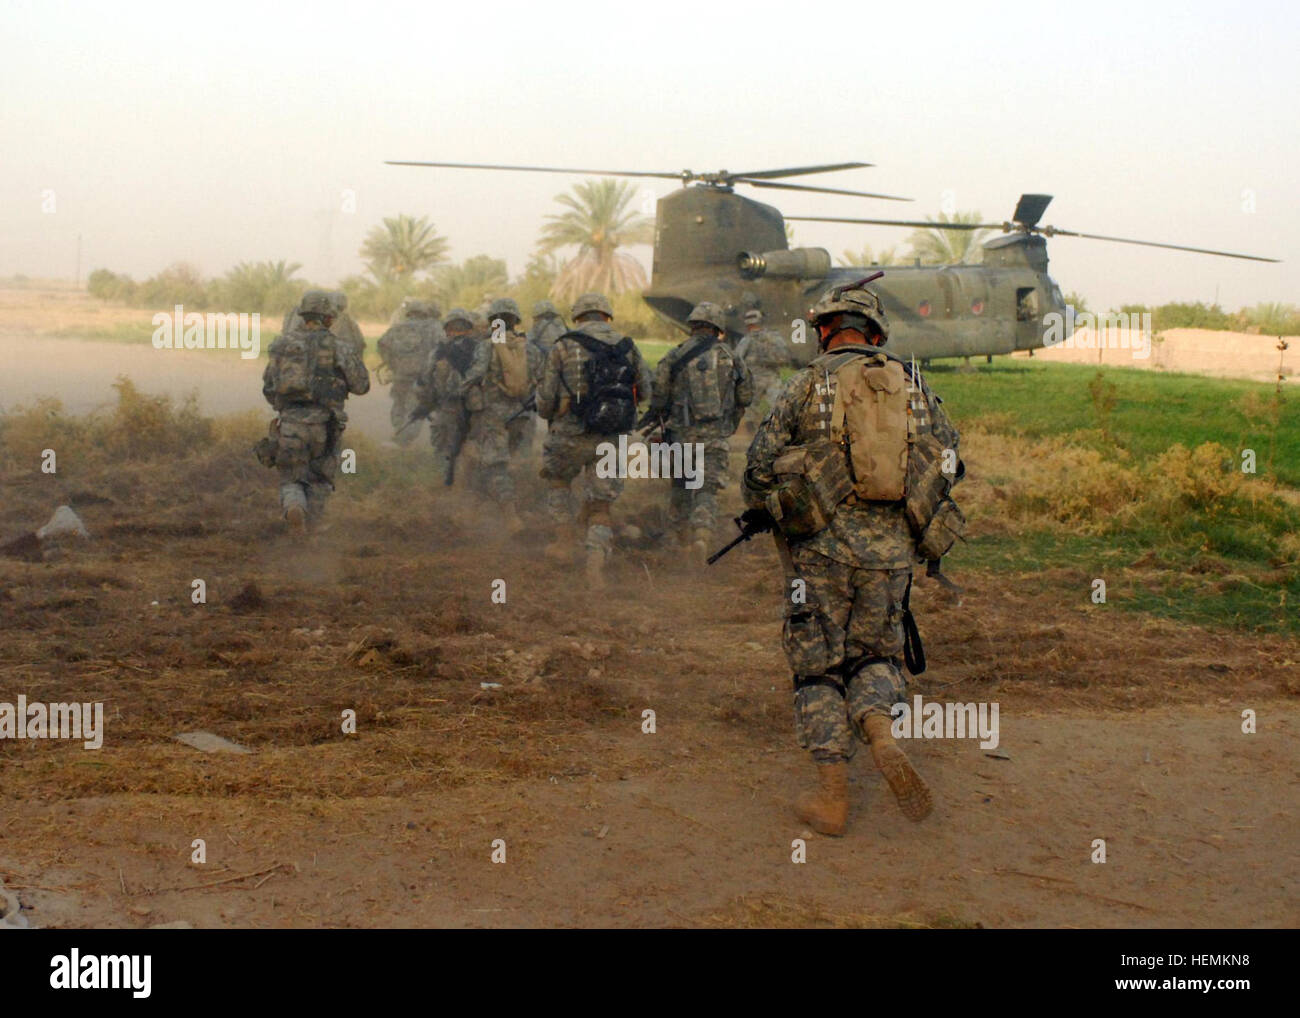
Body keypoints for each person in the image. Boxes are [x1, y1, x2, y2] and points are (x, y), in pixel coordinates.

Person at [742, 281, 962, 836]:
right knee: (875, 655)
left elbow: (757, 470)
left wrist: (787, 495)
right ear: (877, 335)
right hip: (892, 558)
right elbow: (950, 459)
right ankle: (880, 732)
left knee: (817, 664)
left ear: (824, 330)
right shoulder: (914, 384)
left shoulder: (808, 383)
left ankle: (831, 796)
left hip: (821, 554)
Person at [535, 291, 653, 586]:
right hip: (611, 436)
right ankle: (595, 565)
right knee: (601, 505)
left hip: (569, 434)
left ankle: (564, 543)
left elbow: (545, 400)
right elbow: (646, 392)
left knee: (559, 481)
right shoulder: (628, 347)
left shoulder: (563, 345)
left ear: (577, 317)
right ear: (607, 316)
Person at [641, 301, 752, 562]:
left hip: (681, 437)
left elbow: (659, 396)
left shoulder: (675, 355)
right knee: (706, 490)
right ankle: (701, 537)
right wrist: (729, 421)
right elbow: (746, 396)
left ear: (692, 326)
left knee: (681, 487)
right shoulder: (732, 357)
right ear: (718, 328)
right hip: (714, 438)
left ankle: (680, 543)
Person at [260, 290, 369, 532]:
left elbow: (269, 387)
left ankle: (294, 507)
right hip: (326, 426)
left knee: (291, 478)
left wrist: (287, 408)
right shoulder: (340, 347)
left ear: (303, 315)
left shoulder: (281, 345)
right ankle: (312, 529)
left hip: (290, 424)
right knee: (320, 479)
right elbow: (362, 386)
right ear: (329, 318)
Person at [460, 297, 544, 531]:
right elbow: (542, 380)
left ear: (492, 322)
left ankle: (511, 517)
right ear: (515, 321)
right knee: (493, 462)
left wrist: (460, 392)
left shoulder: (487, 346)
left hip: (493, 418)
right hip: (522, 418)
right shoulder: (529, 348)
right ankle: (470, 513)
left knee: (495, 466)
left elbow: (475, 375)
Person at [412, 307, 478, 478]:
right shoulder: (481, 349)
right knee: (476, 449)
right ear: (470, 329)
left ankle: (444, 484)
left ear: (447, 329)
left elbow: (425, 382)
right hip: (478, 409)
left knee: (443, 450)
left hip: (448, 408)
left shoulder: (440, 351)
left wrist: (424, 406)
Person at [376, 299, 443, 444]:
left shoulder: (398, 328)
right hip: (421, 377)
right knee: (414, 407)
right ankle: (403, 440)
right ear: (424, 313)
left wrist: (391, 363)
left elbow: (382, 344)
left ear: (408, 313)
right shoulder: (433, 329)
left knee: (399, 404)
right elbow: (442, 347)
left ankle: (398, 432)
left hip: (400, 375)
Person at [735, 307, 792, 434]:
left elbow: (738, 358)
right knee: (778, 405)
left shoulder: (747, 339)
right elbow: (786, 356)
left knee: (750, 408)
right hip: (773, 377)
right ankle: (779, 430)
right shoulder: (774, 337)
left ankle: (752, 433)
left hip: (754, 379)